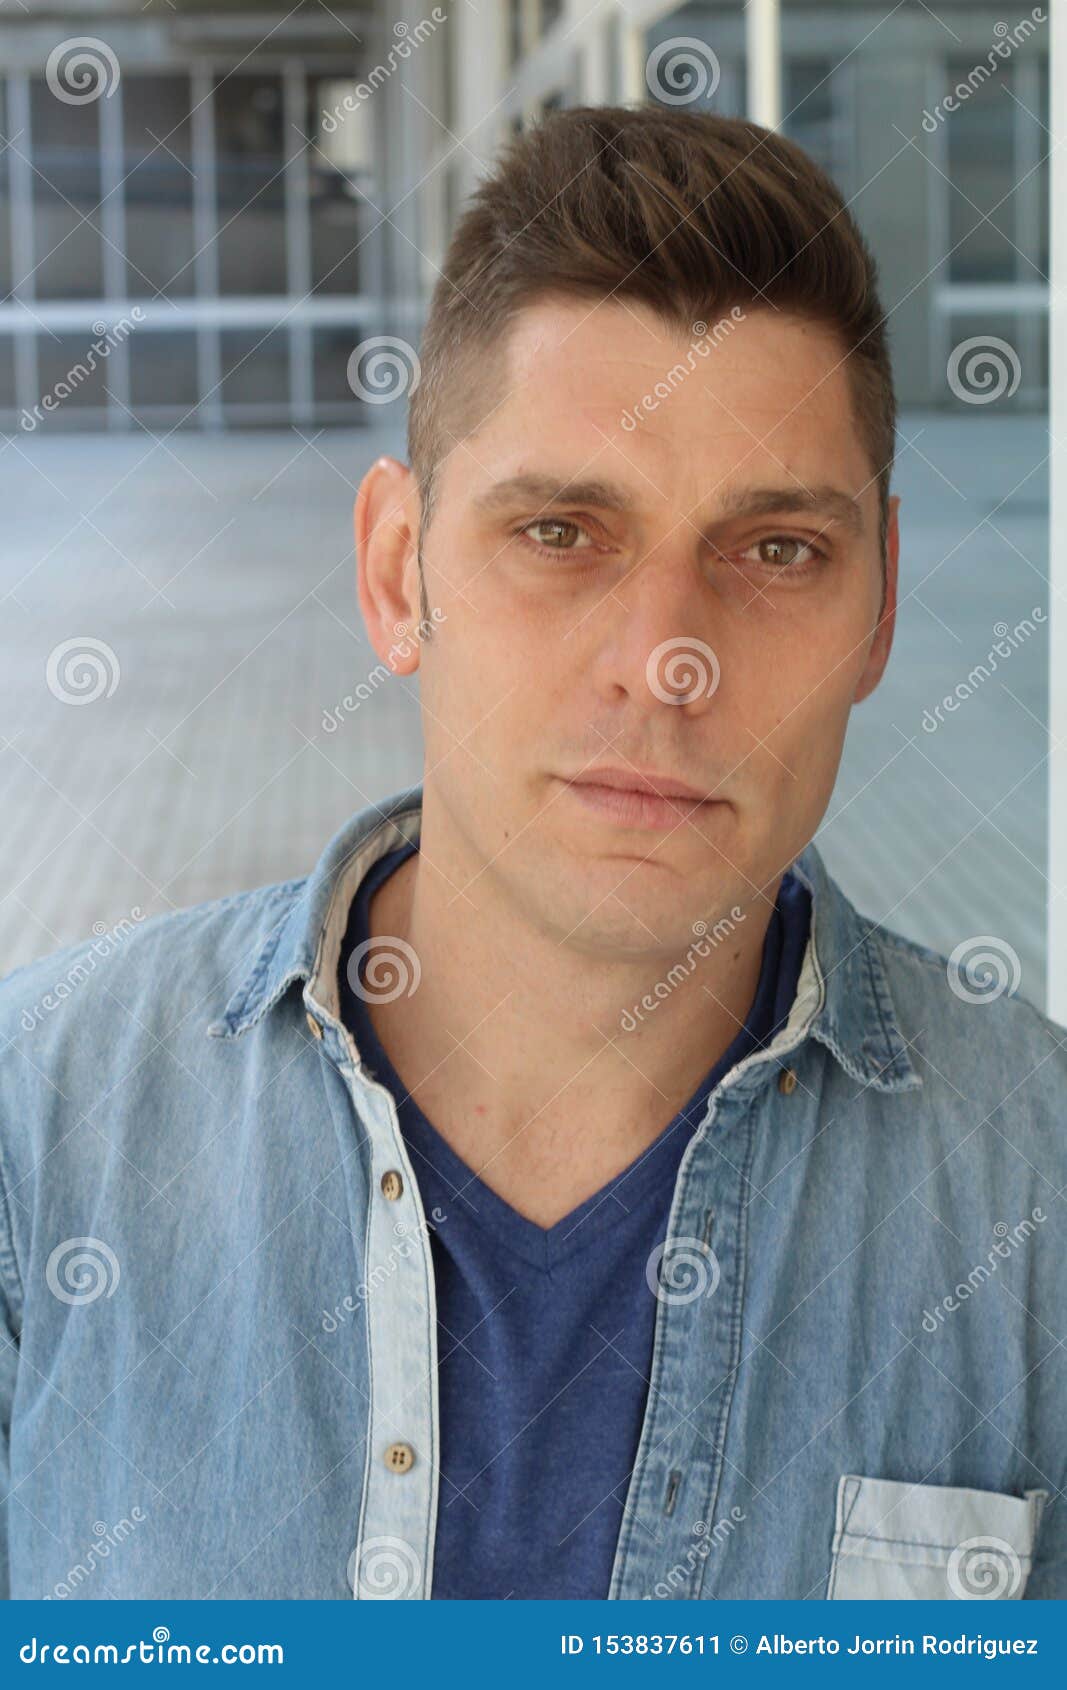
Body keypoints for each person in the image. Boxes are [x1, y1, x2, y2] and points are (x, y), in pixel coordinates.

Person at [0, 105, 1063, 1603]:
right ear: (398, 574)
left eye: (776, 551)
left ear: (880, 608)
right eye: (562, 532)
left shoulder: (1035, 1188)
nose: (668, 663)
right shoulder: (41, 1136)